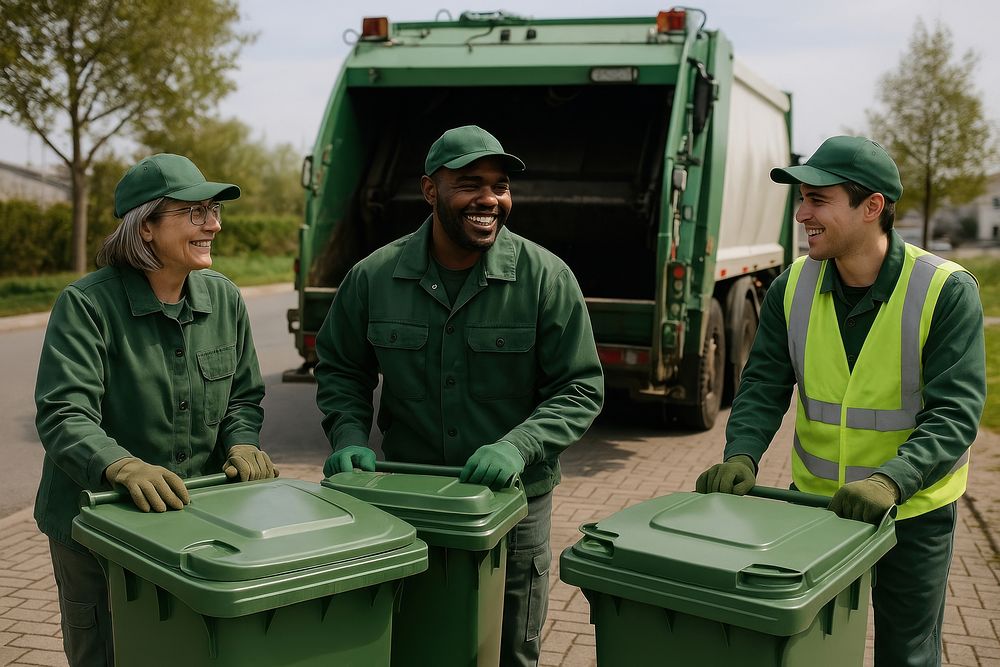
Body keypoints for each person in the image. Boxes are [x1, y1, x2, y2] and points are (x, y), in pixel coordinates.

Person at [315, 125, 604, 666]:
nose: (489, 199)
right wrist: (349, 435)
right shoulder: (373, 277)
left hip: (513, 506)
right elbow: (341, 369)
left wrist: (518, 445)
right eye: (470, 184)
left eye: (500, 186)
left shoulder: (546, 278)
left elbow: (580, 387)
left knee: (509, 649)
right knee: (414, 644)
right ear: (430, 191)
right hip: (410, 500)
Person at [696, 136, 985, 666]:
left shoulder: (945, 290)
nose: (801, 214)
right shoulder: (791, 288)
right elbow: (762, 386)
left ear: (872, 206)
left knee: (907, 654)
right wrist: (741, 454)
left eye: (818, 200)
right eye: (801, 199)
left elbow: (955, 412)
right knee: (807, 648)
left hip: (911, 513)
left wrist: (891, 480)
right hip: (816, 507)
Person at [34, 154, 279, 667]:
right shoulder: (86, 305)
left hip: (191, 519)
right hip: (97, 527)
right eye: (195, 212)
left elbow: (242, 397)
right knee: (107, 651)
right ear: (145, 227)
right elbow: (64, 412)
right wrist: (121, 466)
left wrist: (241, 442)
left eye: (214, 210)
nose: (214, 225)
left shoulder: (225, 299)